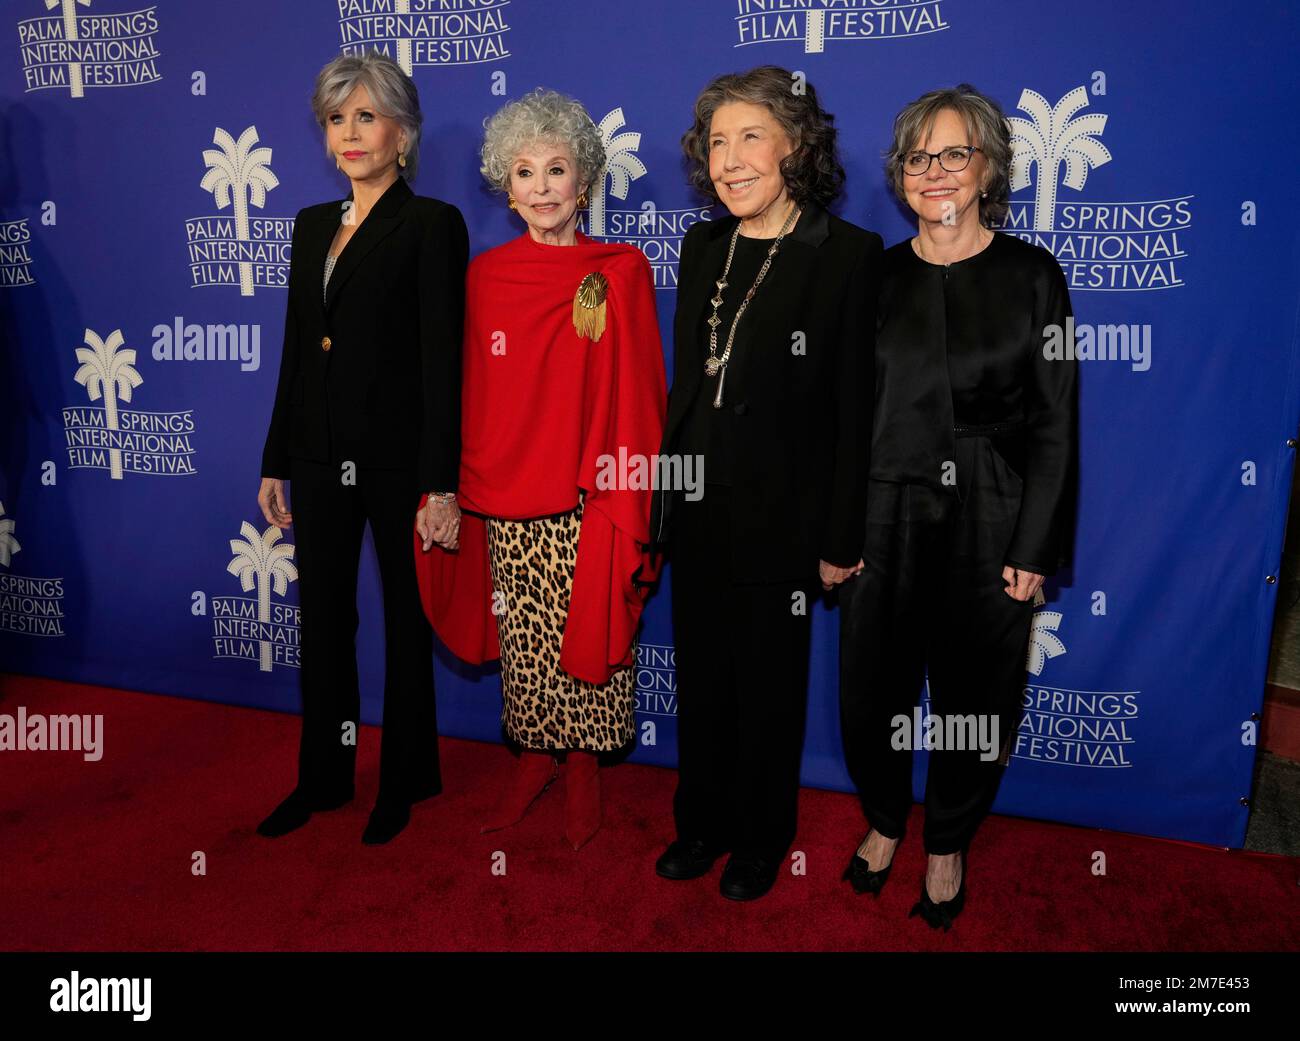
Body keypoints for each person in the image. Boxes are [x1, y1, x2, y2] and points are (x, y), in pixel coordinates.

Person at [838, 84, 1079, 929]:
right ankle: (881, 817)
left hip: (993, 513)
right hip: (881, 506)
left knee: (978, 694)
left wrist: (1036, 543)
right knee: (872, 685)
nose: (935, 171)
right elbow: (839, 414)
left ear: (987, 169)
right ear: (900, 175)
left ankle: (947, 838)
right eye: (918, 156)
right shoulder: (871, 275)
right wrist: (837, 530)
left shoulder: (1033, 275)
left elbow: (1056, 419)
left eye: (955, 154)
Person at [650, 66, 882, 901]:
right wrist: (663, 499)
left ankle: (761, 836)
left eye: (751, 136)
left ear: (797, 147)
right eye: (717, 141)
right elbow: (687, 392)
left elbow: (856, 413)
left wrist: (839, 538)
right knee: (703, 680)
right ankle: (699, 822)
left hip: (784, 519)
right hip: (699, 511)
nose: (731, 158)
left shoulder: (847, 255)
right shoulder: (701, 245)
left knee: (768, 691)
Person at [414, 88, 666, 851]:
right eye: (525, 172)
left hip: (592, 492)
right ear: (507, 184)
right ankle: (533, 759)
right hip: (503, 488)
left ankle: (584, 762)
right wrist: (450, 487)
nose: (542, 186)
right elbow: (467, 388)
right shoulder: (485, 277)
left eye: (557, 169)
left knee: (588, 626)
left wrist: (620, 484)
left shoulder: (621, 269)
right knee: (525, 637)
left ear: (583, 180)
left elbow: (642, 390)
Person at [255, 51, 468, 845]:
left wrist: (439, 483)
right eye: (337, 118)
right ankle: (323, 777)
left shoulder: (431, 225)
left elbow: (442, 362)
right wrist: (276, 456)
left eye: (367, 116)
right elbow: (296, 352)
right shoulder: (311, 226)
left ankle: (408, 777)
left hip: (398, 461)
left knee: (407, 624)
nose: (350, 132)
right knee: (323, 622)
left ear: (403, 134)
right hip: (314, 457)